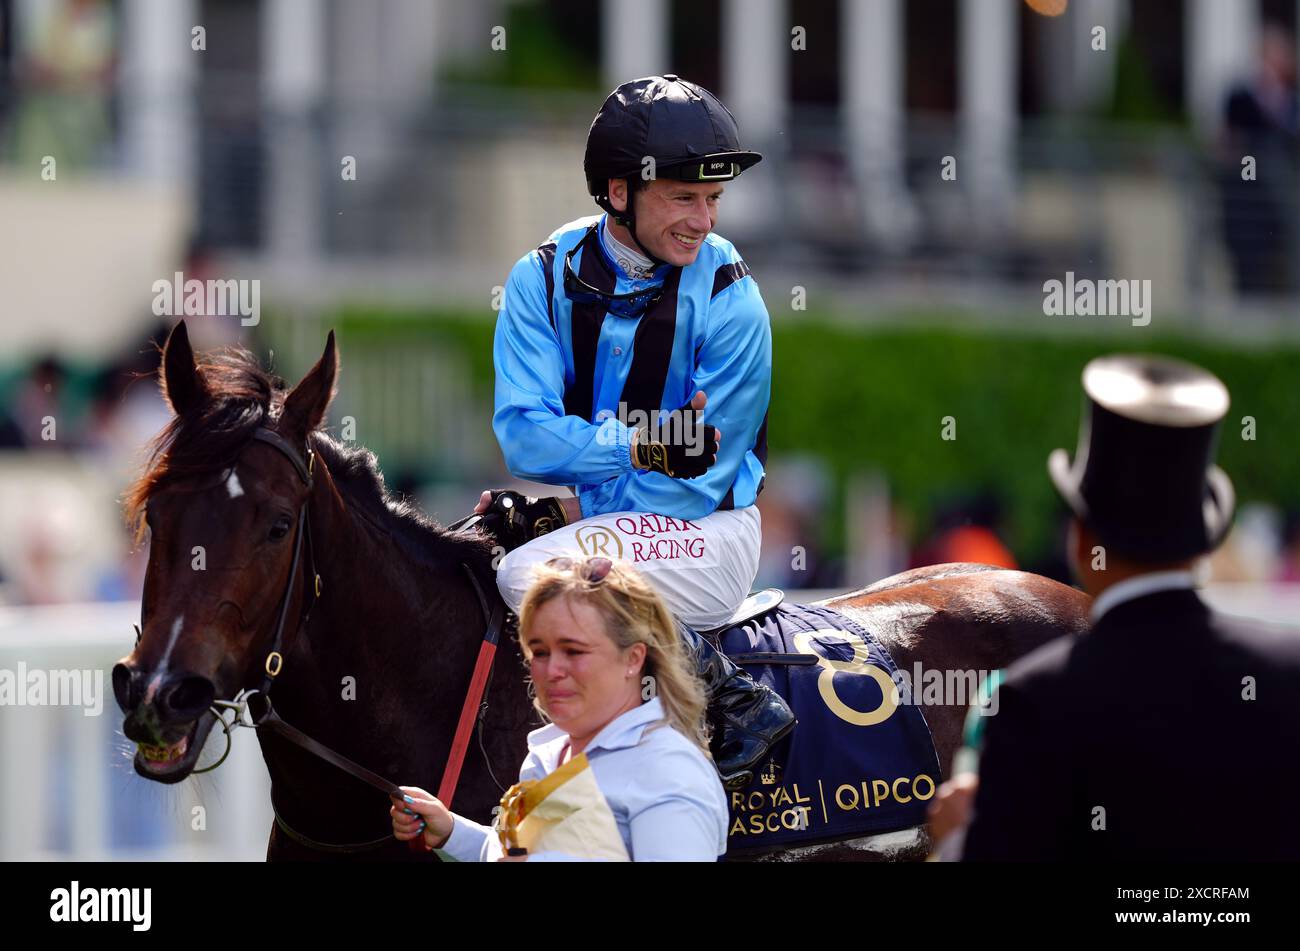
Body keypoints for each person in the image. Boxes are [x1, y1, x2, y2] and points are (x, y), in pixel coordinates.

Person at [470, 74, 794, 789]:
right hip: (624, 524)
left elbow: (694, 483)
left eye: (713, 199)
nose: (704, 220)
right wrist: (643, 442)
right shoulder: (540, 278)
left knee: (524, 571)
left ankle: (730, 698)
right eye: (684, 196)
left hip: (712, 533)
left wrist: (576, 495)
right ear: (619, 192)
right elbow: (525, 440)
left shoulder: (731, 295)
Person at [961, 354, 1300, 861]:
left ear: (1080, 541)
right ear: (1204, 541)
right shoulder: (1288, 671)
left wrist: (953, 839)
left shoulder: (1035, 699)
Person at [390, 556, 728, 861]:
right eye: (539, 652)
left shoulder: (667, 771)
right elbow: (519, 854)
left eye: (574, 651)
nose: (552, 670)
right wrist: (451, 831)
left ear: (633, 658)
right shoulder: (549, 753)